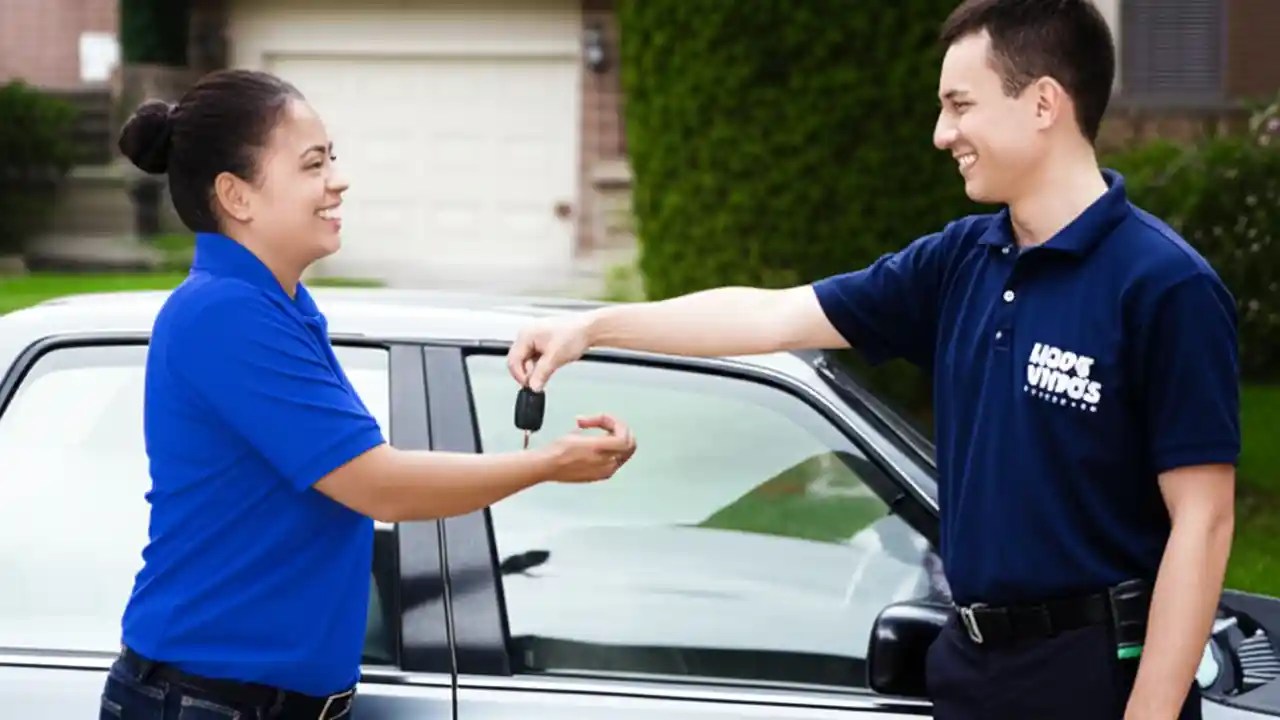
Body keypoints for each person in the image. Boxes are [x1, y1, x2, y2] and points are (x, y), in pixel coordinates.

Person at [505, 1, 1238, 718]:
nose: (941, 133)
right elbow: (771, 314)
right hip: (970, 669)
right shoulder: (960, 260)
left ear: (1044, 102)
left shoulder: (1163, 285)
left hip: (1091, 678)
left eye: (960, 105)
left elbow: (1202, 522)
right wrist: (595, 327)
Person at [102, 69, 636, 720]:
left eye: (333, 159)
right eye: (312, 164)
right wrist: (548, 464)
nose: (338, 180)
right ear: (236, 196)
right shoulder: (225, 315)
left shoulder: (276, 306)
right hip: (208, 703)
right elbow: (376, 485)